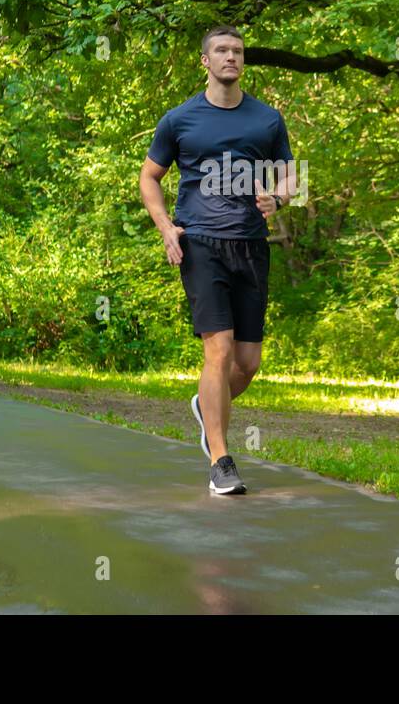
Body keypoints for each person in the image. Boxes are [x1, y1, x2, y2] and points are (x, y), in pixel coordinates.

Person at [138, 25, 296, 494]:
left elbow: (290, 176)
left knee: (246, 363)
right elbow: (149, 178)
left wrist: (279, 200)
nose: (232, 57)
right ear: (205, 61)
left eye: (238, 51)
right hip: (201, 242)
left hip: (251, 245)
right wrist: (166, 227)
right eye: (222, 51)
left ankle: (205, 407)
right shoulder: (179, 119)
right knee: (219, 349)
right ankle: (221, 460)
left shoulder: (267, 120)